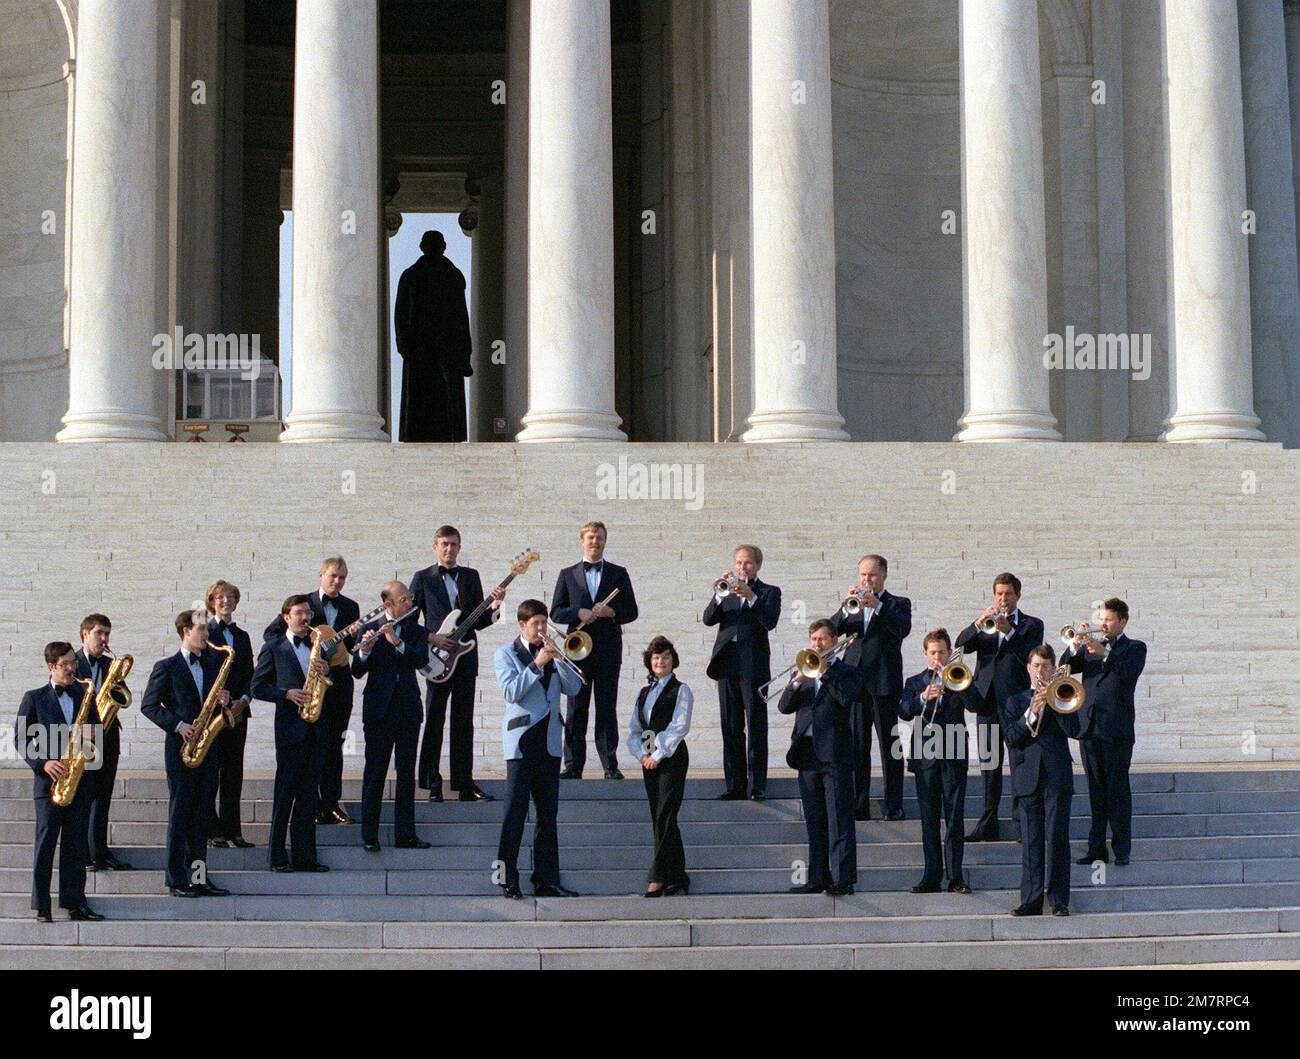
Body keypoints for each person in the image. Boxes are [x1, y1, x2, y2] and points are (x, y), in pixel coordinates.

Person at [140, 611, 232, 898]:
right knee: (180, 816)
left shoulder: (214, 662)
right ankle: (176, 879)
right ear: (185, 631)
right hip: (181, 750)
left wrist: (224, 700)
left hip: (208, 748)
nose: (207, 635)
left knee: (202, 817)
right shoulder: (165, 666)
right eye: (201, 630)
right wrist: (178, 725)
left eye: (207, 629)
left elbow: (217, 702)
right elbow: (149, 706)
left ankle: (198, 878)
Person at [494, 599, 582, 899]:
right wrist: (537, 664)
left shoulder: (552, 652)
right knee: (514, 815)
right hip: (522, 741)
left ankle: (546, 880)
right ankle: (505, 879)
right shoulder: (505, 653)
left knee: (548, 816)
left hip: (549, 742)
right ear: (522, 625)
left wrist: (559, 659)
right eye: (536, 624)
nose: (542, 629)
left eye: (544, 622)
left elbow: (575, 688)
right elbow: (510, 691)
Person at [264, 556, 360, 826]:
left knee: (334, 745)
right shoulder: (302, 604)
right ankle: (311, 805)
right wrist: (299, 655)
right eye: (333, 576)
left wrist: (356, 638)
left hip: (337, 685)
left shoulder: (351, 606)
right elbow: (272, 635)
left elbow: (349, 650)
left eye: (342, 577)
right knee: (308, 747)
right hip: (307, 687)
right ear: (321, 575)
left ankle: (331, 803)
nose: (337, 581)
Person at [411, 524, 505, 801]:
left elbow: (480, 621)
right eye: (444, 544)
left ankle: (464, 784)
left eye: (453, 544)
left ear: (460, 547)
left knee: (463, 722)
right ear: (435, 547)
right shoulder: (422, 578)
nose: (449, 549)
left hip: (465, 659)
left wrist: (496, 607)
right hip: (436, 659)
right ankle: (431, 783)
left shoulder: (470, 576)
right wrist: (431, 639)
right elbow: (409, 621)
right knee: (434, 720)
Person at [955, 572, 1043, 842]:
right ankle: (987, 822)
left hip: (1017, 703)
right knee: (989, 764)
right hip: (987, 702)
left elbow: (1030, 653)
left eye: (1007, 594)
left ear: (1018, 595)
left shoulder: (1031, 625)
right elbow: (961, 645)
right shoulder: (987, 624)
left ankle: (1021, 824)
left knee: (1019, 763)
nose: (1002, 599)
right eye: (999, 594)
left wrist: (1010, 631)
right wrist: (977, 623)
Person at [18, 642, 103, 922]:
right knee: (45, 845)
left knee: (76, 846)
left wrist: (91, 738)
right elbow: (21, 739)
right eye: (65, 664)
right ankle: (42, 905)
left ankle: (75, 902)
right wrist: (43, 762)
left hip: (79, 782)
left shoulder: (85, 694)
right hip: (49, 784)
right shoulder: (34, 698)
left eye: (73, 663)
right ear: (51, 666)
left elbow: (97, 734)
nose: (71, 669)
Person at [778, 620, 864, 896]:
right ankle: (817, 877)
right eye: (813, 639)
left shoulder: (846, 671)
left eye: (822, 639)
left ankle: (842, 879)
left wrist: (825, 672)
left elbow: (846, 699)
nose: (817, 644)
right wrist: (796, 682)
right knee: (814, 820)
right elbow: (784, 706)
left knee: (839, 818)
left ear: (834, 640)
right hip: (806, 755)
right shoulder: (803, 670)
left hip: (835, 754)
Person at [550, 521, 639, 779]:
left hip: (608, 651)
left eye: (599, 537)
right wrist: (578, 612)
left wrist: (611, 612)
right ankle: (573, 765)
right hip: (577, 651)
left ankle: (610, 765)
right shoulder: (567, 574)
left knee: (606, 708)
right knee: (576, 708)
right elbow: (555, 611)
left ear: (605, 541)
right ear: (582, 541)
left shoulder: (618, 573)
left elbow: (632, 611)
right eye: (590, 537)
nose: (595, 542)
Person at [1064, 598, 1147, 867]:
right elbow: (1065, 668)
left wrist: (1106, 654)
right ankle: (1096, 848)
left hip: (1117, 731)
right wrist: (1074, 645)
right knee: (1095, 790)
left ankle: (1122, 849)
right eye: (1102, 619)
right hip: (1089, 728)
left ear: (1123, 621)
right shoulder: (1089, 648)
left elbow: (1128, 673)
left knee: (1117, 789)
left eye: (1109, 619)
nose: (1103, 624)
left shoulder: (1134, 648)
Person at [252, 595, 331, 873]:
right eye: (299, 613)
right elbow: (257, 686)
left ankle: (305, 857)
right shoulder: (273, 647)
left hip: (315, 728)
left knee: (309, 797)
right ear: (286, 616)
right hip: (289, 731)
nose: (306, 618)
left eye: (308, 613)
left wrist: (325, 670)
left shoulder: (317, 646)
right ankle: (276, 857)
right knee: (284, 796)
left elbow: (326, 683)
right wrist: (285, 694)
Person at [829, 553, 911, 820]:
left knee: (890, 747)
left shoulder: (897, 603)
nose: (866, 579)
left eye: (872, 575)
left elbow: (903, 629)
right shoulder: (851, 605)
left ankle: (893, 804)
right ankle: (859, 804)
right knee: (857, 747)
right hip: (853, 682)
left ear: (884, 575)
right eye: (863, 575)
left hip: (884, 683)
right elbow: (830, 631)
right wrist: (846, 607)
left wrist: (877, 606)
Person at [1002, 645, 1081, 916]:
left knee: (1057, 838)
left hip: (1057, 776)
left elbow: (1077, 730)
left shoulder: (1063, 696)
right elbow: (1011, 738)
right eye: (1036, 666)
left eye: (1046, 666)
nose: (1040, 671)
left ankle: (1059, 900)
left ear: (1052, 669)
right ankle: (1031, 900)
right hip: (1027, 778)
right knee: (1032, 841)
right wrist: (1031, 714)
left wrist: (1055, 704)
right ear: (1028, 668)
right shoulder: (1015, 701)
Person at [353, 582, 431, 852]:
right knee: (374, 772)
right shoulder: (368, 628)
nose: (409, 602)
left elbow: (421, 660)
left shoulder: (417, 630)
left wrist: (397, 643)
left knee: (406, 773)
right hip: (379, 711)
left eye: (409, 597)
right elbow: (357, 670)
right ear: (388, 605)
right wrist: (365, 649)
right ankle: (369, 835)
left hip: (408, 709)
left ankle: (406, 835)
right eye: (403, 599)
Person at [704, 544, 781, 800]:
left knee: (756, 725)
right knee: (731, 725)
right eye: (738, 563)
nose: (742, 567)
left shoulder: (769, 592)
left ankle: (757, 784)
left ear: (757, 565)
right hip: (726, 664)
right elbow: (708, 619)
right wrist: (719, 595)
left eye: (747, 563)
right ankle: (735, 785)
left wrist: (751, 597)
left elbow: (769, 621)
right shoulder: (726, 591)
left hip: (754, 666)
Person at [898, 629, 972, 894]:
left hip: (953, 752)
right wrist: (922, 698)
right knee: (929, 819)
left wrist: (960, 682)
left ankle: (955, 877)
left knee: (954, 817)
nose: (937, 657)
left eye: (942, 652)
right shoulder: (915, 681)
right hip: (926, 755)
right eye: (933, 652)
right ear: (925, 654)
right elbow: (903, 711)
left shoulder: (959, 678)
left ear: (949, 651)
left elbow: (976, 705)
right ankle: (931, 876)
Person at [627, 636, 693, 897]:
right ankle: (678, 875)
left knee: (665, 813)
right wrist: (641, 755)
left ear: (673, 660)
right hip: (649, 760)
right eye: (655, 658)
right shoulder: (644, 692)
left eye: (665, 657)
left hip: (672, 758)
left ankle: (658, 876)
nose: (660, 661)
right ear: (649, 662)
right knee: (661, 816)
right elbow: (636, 728)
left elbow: (679, 726)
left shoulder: (681, 689)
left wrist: (659, 753)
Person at [394, 229, 472, 442]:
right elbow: (461, 317)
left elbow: (400, 315)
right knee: (443, 396)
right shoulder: (452, 275)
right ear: (443, 247)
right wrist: (465, 354)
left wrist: (403, 344)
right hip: (443, 347)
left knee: (422, 396)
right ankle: (448, 433)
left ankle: (419, 432)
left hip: (422, 348)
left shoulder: (411, 275)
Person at [74, 613, 133, 870]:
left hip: (108, 736)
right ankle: (83, 853)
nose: (104, 638)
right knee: (85, 796)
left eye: (107, 633)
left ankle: (100, 851)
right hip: (83, 737)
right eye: (99, 633)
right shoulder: (71, 663)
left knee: (104, 795)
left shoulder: (111, 664)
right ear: (84, 634)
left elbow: (121, 695)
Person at [205, 583, 254, 848]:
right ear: (211, 601)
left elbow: (250, 674)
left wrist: (243, 701)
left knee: (234, 773)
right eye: (220, 597)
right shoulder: (205, 632)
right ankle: (213, 830)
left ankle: (233, 830)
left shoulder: (243, 636)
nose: (226, 601)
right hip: (213, 714)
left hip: (237, 713)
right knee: (212, 771)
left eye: (231, 597)